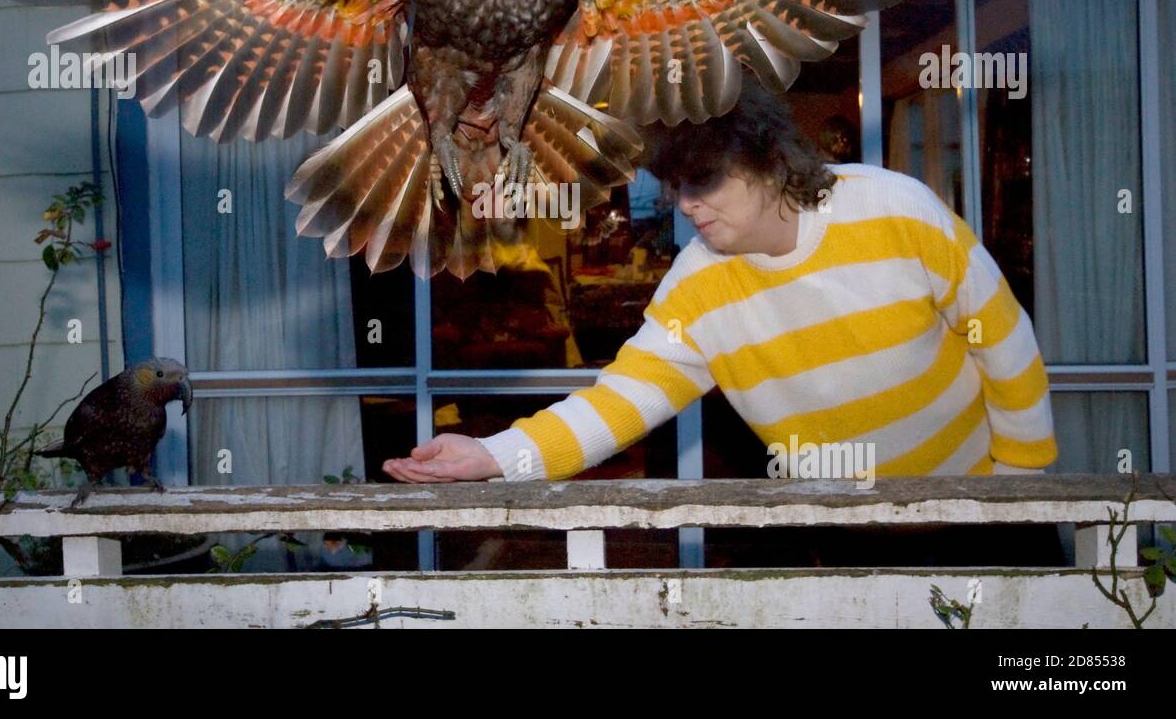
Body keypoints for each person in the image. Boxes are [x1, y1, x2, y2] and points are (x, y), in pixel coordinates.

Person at [383, 86, 1057, 492]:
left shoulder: (898, 211)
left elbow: (1003, 339)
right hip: (841, 534)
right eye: (676, 187)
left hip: (983, 510)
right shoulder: (698, 286)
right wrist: (492, 455)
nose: (687, 206)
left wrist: (1021, 491)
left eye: (703, 180)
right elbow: (618, 405)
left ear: (769, 159)